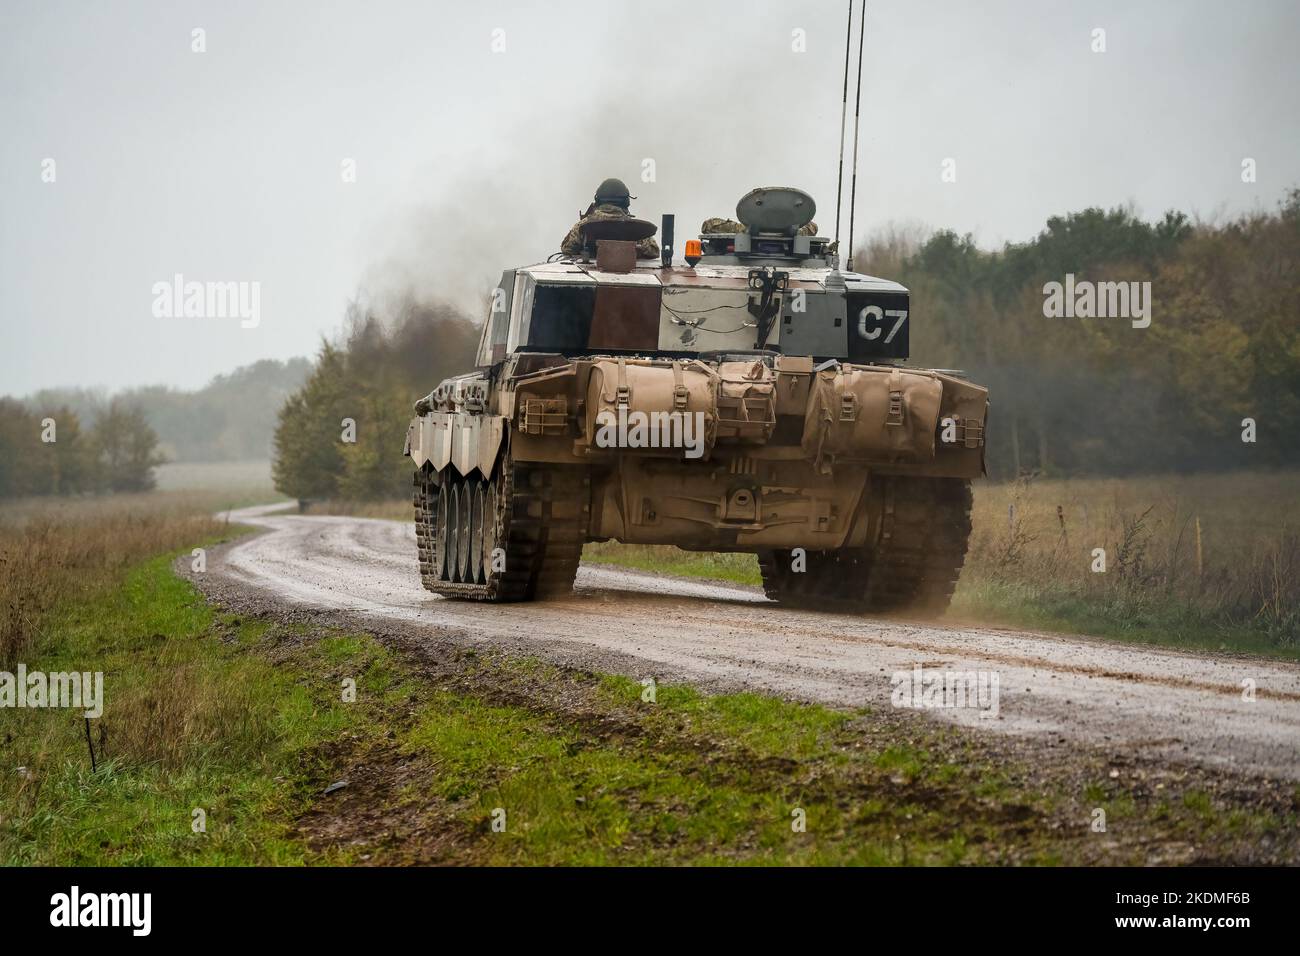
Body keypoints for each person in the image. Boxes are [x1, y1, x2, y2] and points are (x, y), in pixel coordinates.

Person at [561, 178, 660, 259]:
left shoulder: (583, 225)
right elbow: (654, 251)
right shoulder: (636, 227)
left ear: (598, 200)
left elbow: (567, 249)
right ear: (626, 202)